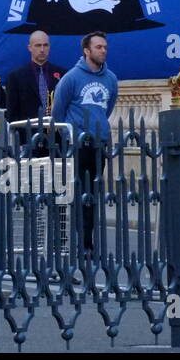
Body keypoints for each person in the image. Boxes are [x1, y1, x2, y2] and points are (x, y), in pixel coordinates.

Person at [52, 32, 118, 253]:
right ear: (87, 51)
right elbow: (58, 112)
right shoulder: (71, 78)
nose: (103, 51)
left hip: (99, 143)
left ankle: (86, 242)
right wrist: (70, 136)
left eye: (105, 47)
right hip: (77, 144)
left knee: (91, 195)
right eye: (98, 47)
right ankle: (67, 237)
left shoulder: (111, 79)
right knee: (75, 192)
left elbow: (107, 109)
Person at [3, 31, 67, 124]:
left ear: (49, 47)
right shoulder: (15, 77)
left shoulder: (63, 74)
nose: (42, 49)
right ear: (30, 48)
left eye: (45, 45)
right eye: (38, 45)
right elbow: (12, 114)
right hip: (28, 133)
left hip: (57, 132)